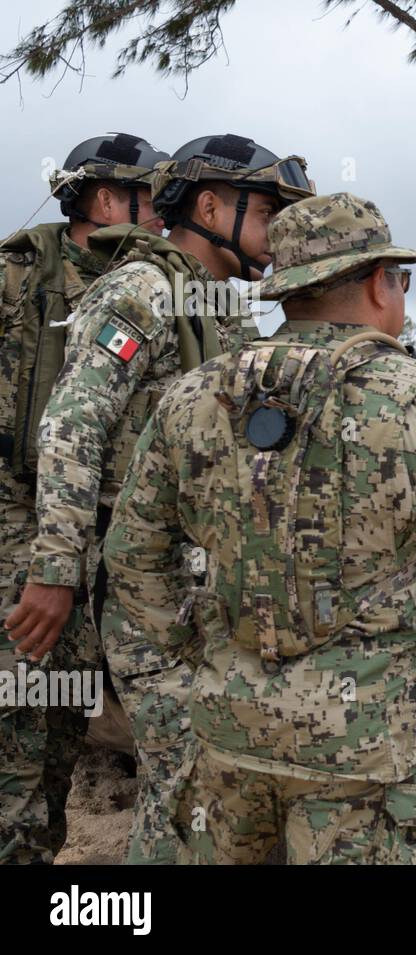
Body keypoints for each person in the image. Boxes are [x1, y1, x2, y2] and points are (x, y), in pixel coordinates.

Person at [103, 192, 416, 864]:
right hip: (358, 745)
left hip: (228, 726)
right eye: (401, 279)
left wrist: (200, 651)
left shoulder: (194, 397)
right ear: (377, 282)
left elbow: (132, 554)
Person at [10, 134, 313, 863]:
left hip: (205, 587)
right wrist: (54, 570)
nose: (279, 233)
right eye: (267, 211)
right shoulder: (141, 291)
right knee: (185, 782)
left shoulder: (219, 312)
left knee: (196, 780)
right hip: (146, 583)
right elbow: (71, 425)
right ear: (209, 205)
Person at [0, 132, 169, 866]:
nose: (163, 217)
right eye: (151, 201)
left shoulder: (150, 288)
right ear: (106, 200)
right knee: (22, 718)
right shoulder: (18, 279)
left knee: (62, 725)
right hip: (19, 517)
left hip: (87, 528)